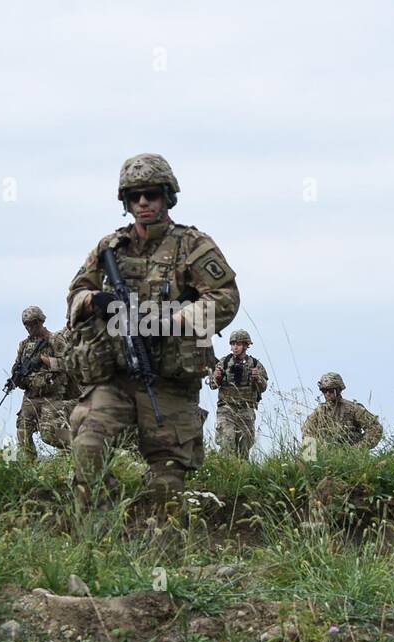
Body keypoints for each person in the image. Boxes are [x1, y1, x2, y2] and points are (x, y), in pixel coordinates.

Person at [65, 153, 239, 506]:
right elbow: (74, 295)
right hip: (114, 376)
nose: (143, 203)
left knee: (166, 484)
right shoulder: (110, 248)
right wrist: (95, 301)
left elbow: (225, 300)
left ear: (167, 196)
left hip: (169, 381)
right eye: (134, 196)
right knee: (87, 449)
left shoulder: (192, 245)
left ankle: (162, 552)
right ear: (125, 202)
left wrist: (168, 323)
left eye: (151, 194)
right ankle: (101, 541)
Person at [11, 306, 72, 460]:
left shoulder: (54, 339)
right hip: (30, 396)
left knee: (49, 434)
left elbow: (68, 364)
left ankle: (80, 448)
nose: (30, 328)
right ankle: (29, 469)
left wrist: (43, 360)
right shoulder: (24, 345)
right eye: (26, 325)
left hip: (51, 396)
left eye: (33, 324)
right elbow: (18, 364)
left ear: (40, 322)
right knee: (23, 432)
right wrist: (16, 376)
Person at [208, 328, 267, 459]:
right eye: (233, 344)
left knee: (244, 446)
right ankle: (226, 473)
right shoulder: (223, 362)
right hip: (226, 409)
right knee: (226, 441)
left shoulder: (255, 364)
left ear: (246, 345)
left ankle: (242, 475)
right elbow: (212, 385)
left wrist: (257, 378)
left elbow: (263, 387)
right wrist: (216, 377)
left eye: (239, 344)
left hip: (246, 409)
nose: (235, 347)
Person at [302, 372, 383, 449]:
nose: (327, 394)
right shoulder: (319, 412)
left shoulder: (353, 409)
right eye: (324, 391)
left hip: (351, 458)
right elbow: (307, 432)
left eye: (330, 390)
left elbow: (375, 428)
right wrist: (311, 457)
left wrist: (359, 448)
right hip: (326, 458)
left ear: (338, 390)